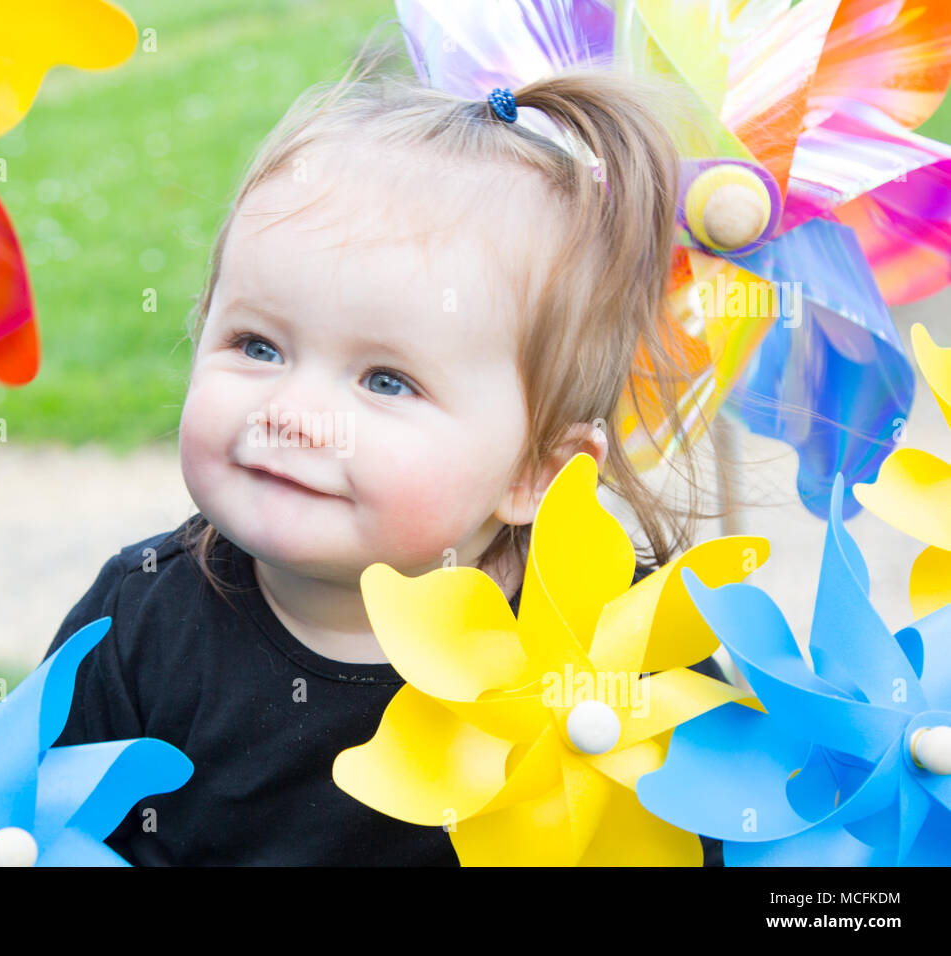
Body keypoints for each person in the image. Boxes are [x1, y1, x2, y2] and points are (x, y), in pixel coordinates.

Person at [45, 31, 732, 866]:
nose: (293, 412)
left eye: (385, 381)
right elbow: (44, 833)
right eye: (258, 346)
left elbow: (710, 826)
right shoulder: (137, 623)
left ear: (536, 476)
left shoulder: (616, 657)